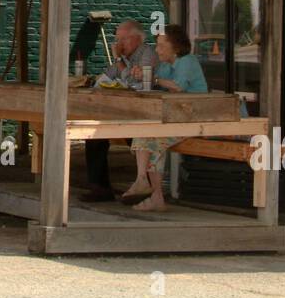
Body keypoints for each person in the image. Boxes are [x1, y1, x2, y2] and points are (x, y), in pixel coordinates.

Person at [122, 24, 207, 211]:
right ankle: (149, 188)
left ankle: (149, 188)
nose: (156, 49)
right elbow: (155, 83)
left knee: (152, 137)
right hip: (176, 118)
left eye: (161, 45)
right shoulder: (167, 65)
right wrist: (140, 75)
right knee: (147, 135)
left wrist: (153, 79)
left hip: (196, 120)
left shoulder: (188, 61)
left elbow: (178, 86)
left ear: (175, 46)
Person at [79, 19, 157, 203]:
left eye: (123, 39)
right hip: (123, 113)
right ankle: (100, 188)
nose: (118, 44)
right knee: (94, 136)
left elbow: (135, 83)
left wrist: (117, 59)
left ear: (137, 38)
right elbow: (106, 78)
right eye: (117, 40)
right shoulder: (124, 58)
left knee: (138, 138)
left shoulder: (147, 53)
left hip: (145, 115)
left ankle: (145, 188)